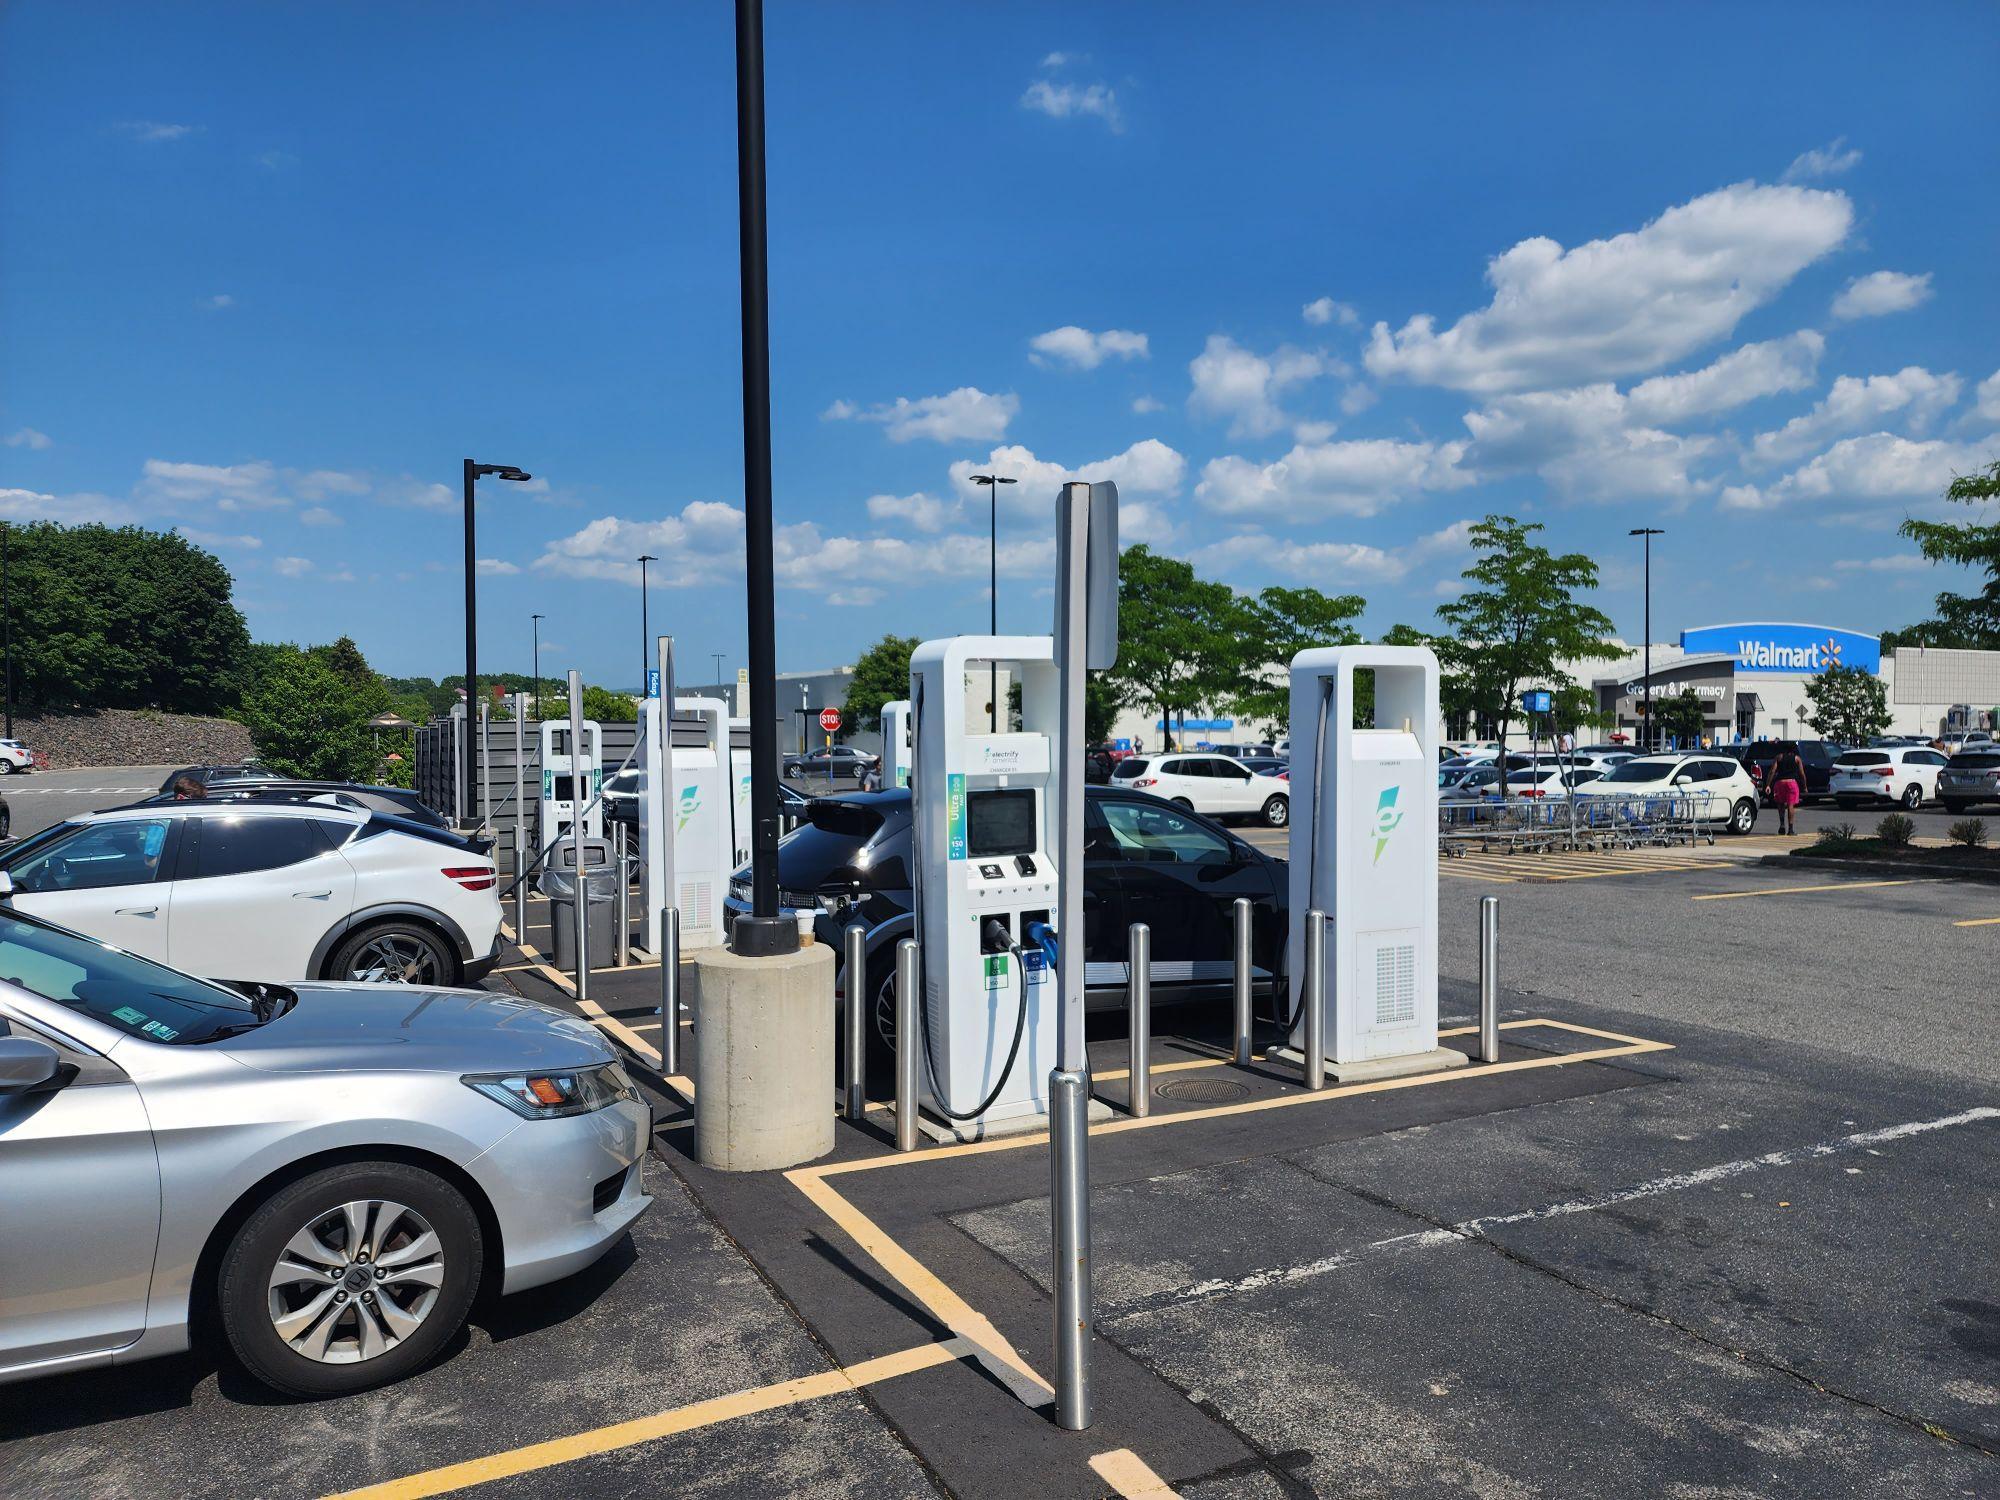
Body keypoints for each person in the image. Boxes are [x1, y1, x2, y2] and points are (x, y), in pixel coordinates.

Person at [1767, 741, 1806, 835]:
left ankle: (1782, 825)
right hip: (1791, 783)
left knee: (1780, 804)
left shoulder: (1779, 757)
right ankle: (1791, 829)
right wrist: (1804, 786)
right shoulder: (1797, 759)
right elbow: (1802, 774)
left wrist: (1768, 784)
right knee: (1790, 805)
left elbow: (1772, 771)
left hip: (1780, 783)